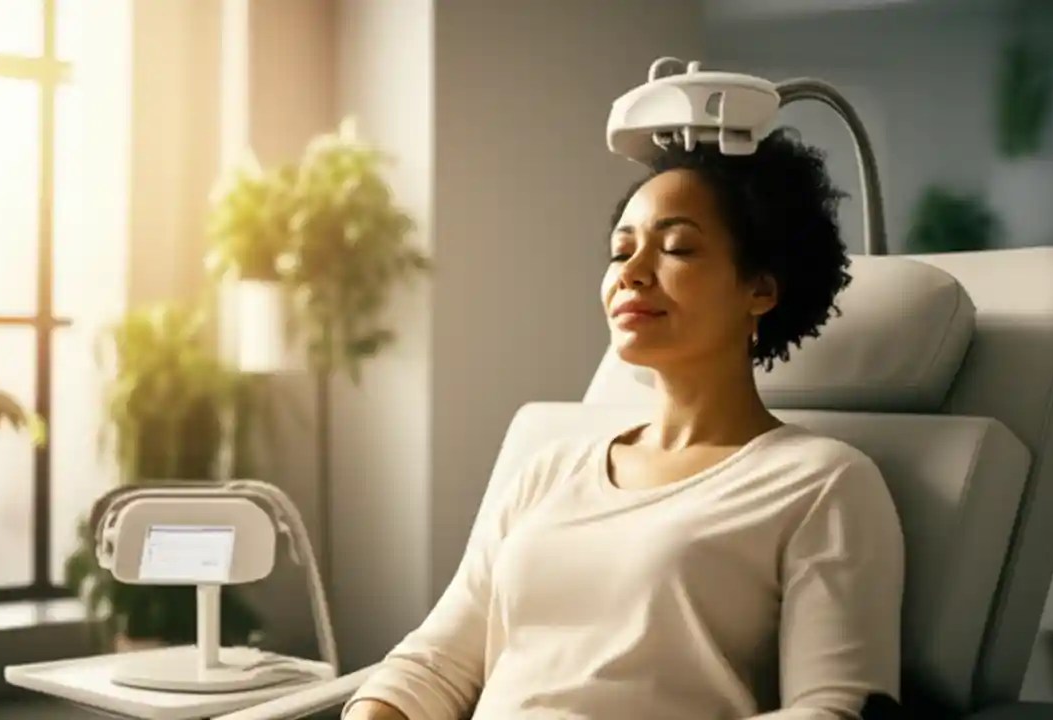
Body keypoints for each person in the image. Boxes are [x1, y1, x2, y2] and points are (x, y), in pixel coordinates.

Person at [342, 128, 905, 720]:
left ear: (760, 288)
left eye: (678, 248)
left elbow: (833, 711)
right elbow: (435, 665)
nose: (631, 272)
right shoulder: (551, 469)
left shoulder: (821, 483)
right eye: (621, 250)